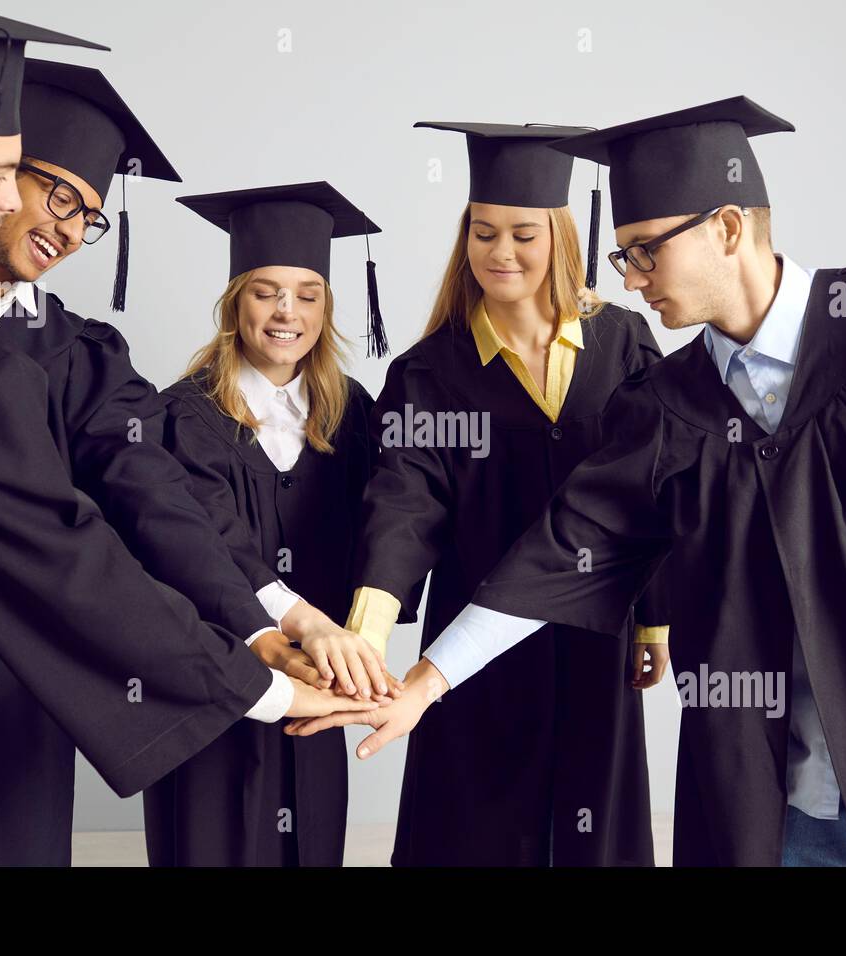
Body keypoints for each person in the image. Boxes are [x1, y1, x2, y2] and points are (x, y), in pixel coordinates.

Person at [289, 96, 846, 868]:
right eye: (623, 255)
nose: (630, 280)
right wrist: (423, 685)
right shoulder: (665, 407)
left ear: (728, 228)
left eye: (645, 251)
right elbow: (565, 550)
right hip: (777, 806)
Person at [0, 0, 373, 867]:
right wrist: (256, 686)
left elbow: (156, 501)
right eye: (31, 183)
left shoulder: (77, 354)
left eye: (88, 214)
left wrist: (266, 618)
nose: (63, 227)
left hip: (19, 696)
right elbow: (57, 547)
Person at [327, 122, 670, 866]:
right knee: (475, 828)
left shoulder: (622, 345)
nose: (500, 253)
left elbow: (652, 495)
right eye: (483, 234)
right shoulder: (432, 372)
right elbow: (403, 502)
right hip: (470, 643)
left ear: (559, 237)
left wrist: (653, 622)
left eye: (522, 234)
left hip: (591, 635)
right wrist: (369, 628)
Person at [142, 181, 394, 866]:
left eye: (307, 295)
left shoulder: (354, 415)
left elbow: (390, 528)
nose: (287, 313)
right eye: (266, 292)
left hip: (316, 692)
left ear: (326, 308)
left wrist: (356, 644)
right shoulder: (183, 416)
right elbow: (205, 544)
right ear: (235, 304)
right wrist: (302, 625)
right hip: (213, 691)